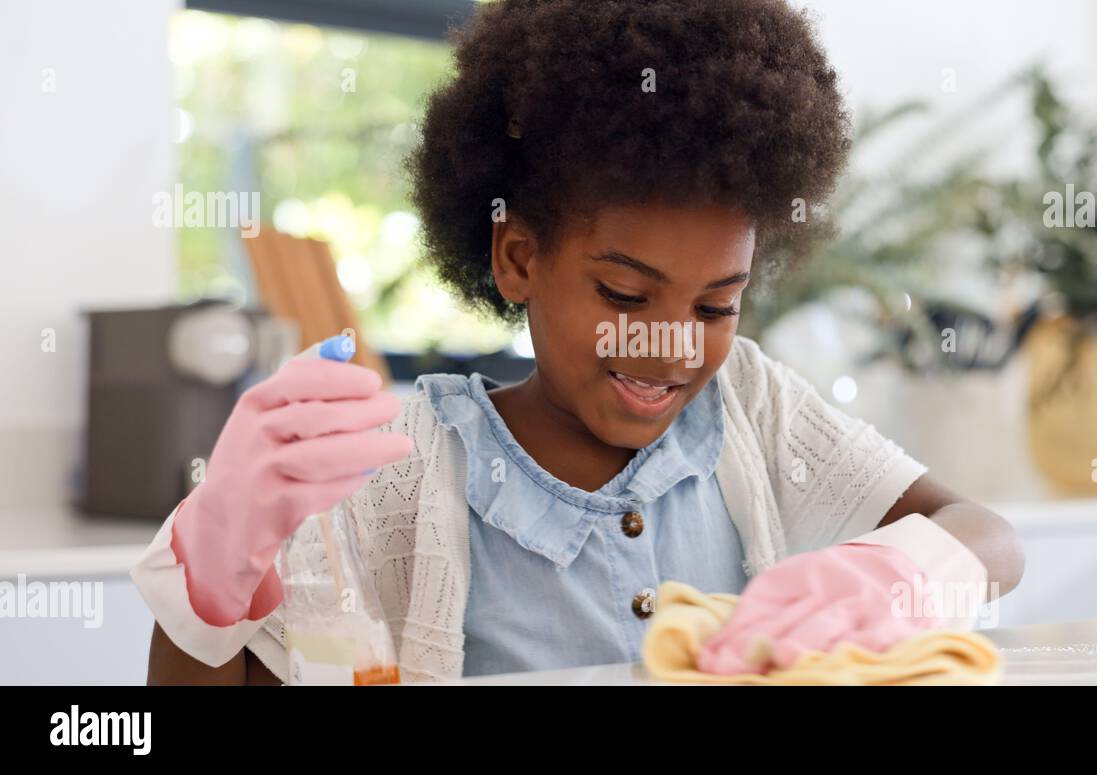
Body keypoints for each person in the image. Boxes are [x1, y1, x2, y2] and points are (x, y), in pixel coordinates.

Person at [134, 0, 1024, 684]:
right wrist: (210, 574)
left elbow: (988, 537)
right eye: (625, 295)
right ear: (518, 257)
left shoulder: (750, 409)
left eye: (717, 306)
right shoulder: (401, 477)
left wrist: (894, 573)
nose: (673, 347)